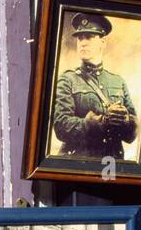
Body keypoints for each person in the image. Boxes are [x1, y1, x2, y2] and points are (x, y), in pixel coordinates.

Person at [51, 12, 136, 158]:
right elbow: (61, 126)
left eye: (89, 37)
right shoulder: (67, 80)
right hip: (79, 162)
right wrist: (101, 122)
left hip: (112, 162)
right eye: (80, 38)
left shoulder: (118, 81)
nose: (83, 43)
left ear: (103, 42)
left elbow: (134, 133)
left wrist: (125, 120)